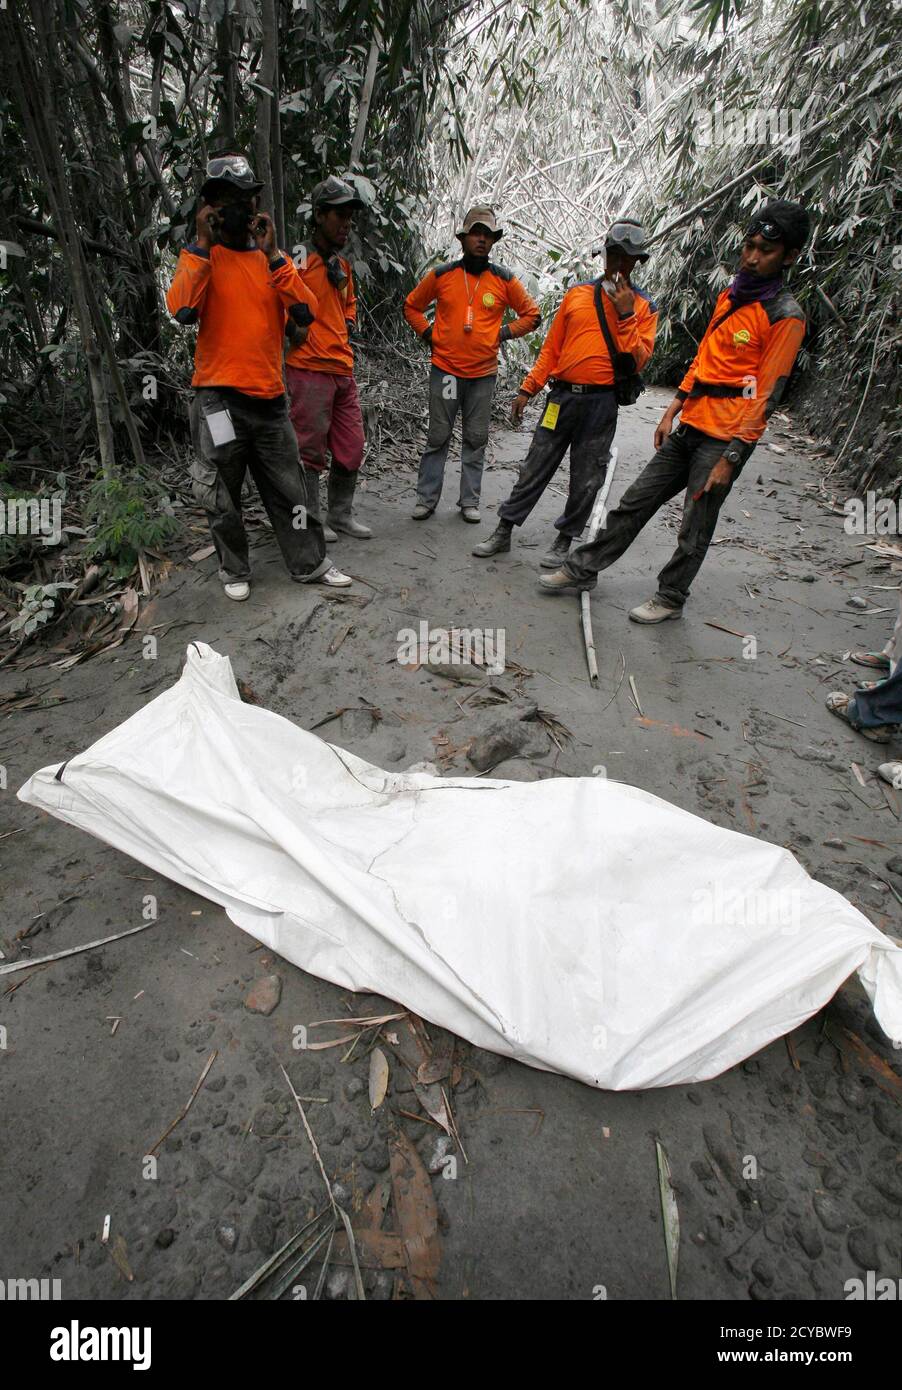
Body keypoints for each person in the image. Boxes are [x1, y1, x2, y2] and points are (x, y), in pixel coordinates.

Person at [539, 199, 810, 621]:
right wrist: (673, 409)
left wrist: (732, 456)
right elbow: (705, 359)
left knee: (694, 524)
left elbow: (766, 395)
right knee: (635, 501)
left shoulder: (784, 316)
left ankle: (670, 597)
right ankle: (582, 568)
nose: (753, 257)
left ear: (789, 256)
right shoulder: (730, 296)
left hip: (724, 438)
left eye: (766, 251)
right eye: (749, 246)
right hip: (692, 425)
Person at [166, 154, 351, 598]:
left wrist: (272, 256)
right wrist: (200, 243)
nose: (242, 209)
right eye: (231, 201)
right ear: (211, 207)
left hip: (269, 402)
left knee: (291, 491)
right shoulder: (202, 259)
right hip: (219, 401)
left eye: (248, 200)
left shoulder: (276, 261)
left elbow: (306, 313)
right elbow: (182, 310)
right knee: (221, 489)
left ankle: (310, 563)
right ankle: (234, 569)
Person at [473, 219, 658, 568]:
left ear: (637, 262)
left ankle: (563, 539)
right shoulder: (577, 295)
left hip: (602, 403)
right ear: (605, 255)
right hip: (561, 397)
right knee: (534, 464)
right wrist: (528, 388)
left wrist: (625, 313)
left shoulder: (644, 307)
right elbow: (551, 349)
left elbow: (638, 360)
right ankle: (504, 529)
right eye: (614, 254)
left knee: (587, 475)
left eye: (627, 258)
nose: (619, 264)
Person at [404, 205, 540, 523]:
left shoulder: (504, 280)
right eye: (476, 233)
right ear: (463, 238)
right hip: (447, 371)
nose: (481, 240)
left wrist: (501, 333)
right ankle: (426, 499)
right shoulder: (442, 275)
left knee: (476, 438)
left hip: (482, 375)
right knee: (438, 435)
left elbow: (532, 316)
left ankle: (469, 501)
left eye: (487, 235)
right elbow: (411, 306)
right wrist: (429, 333)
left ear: (493, 241)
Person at [285, 176, 372, 543]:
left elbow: (348, 304)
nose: (346, 223)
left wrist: (347, 322)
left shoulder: (342, 267)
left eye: (350, 216)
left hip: (342, 368)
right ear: (319, 215)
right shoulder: (296, 257)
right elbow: (276, 296)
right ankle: (310, 519)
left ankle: (340, 514)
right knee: (309, 450)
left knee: (352, 446)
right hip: (308, 368)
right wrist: (293, 327)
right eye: (339, 214)